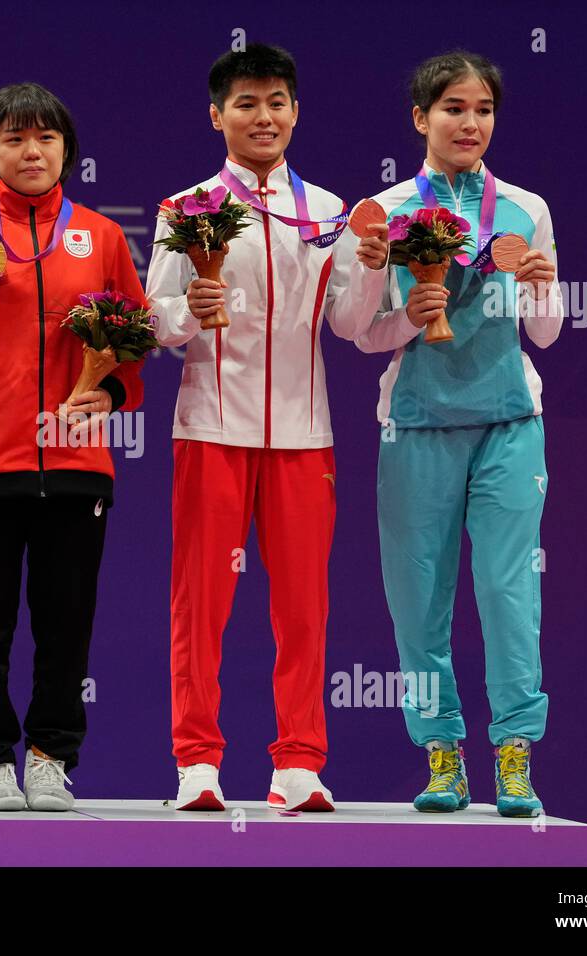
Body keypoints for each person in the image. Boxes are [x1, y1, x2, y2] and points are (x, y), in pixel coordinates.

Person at [144, 44, 391, 812]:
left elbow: (351, 323)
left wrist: (377, 263)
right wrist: (193, 312)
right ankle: (197, 764)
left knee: (304, 605)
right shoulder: (182, 211)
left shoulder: (329, 212)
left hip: (302, 436)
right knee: (201, 602)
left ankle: (299, 765)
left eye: (277, 101)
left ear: (294, 112)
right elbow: (156, 320)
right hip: (211, 429)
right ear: (217, 116)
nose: (264, 116)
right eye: (246, 103)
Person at [0, 82, 146, 812]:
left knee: (66, 625)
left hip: (77, 465)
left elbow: (133, 345)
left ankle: (50, 755)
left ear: (66, 151)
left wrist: (108, 396)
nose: (32, 150)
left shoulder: (102, 236)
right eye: (14, 139)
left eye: (45, 138)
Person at [353, 50, 563, 817]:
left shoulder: (526, 208)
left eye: (481, 110)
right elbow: (361, 335)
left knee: (510, 594)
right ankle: (443, 756)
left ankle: (514, 757)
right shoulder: (383, 211)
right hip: (416, 425)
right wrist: (403, 305)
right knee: (417, 603)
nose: (469, 123)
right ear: (421, 118)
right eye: (452, 109)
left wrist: (543, 286)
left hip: (510, 423)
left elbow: (545, 334)